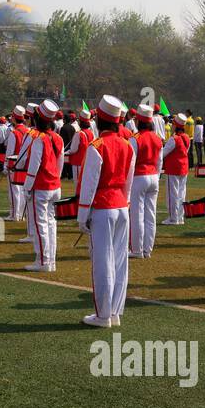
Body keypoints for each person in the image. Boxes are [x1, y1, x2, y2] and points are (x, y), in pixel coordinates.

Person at [76, 96, 136, 327]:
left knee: (103, 262)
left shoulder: (97, 146)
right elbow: (128, 182)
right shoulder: (127, 145)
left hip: (103, 207)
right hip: (121, 205)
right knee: (120, 262)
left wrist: (82, 217)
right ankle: (114, 312)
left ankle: (103, 314)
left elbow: (89, 185)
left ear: (99, 119)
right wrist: (125, 203)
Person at [23, 100, 65, 272]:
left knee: (41, 224)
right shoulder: (58, 137)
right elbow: (60, 163)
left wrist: (27, 187)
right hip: (55, 185)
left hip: (41, 186)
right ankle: (50, 261)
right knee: (51, 223)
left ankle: (42, 261)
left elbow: (34, 166)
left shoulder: (39, 139)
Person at [127, 104, 163, 258]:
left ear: (138, 121)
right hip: (154, 176)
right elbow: (160, 161)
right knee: (150, 215)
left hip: (139, 177)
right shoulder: (157, 138)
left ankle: (137, 249)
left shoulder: (135, 138)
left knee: (137, 215)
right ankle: (147, 249)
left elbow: (130, 163)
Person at [160, 112, 191, 225]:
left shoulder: (174, 139)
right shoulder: (186, 137)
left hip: (173, 168)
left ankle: (173, 218)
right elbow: (185, 151)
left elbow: (162, 154)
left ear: (175, 126)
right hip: (184, 168)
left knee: (172, 193)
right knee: (181, 194)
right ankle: (180, 217)